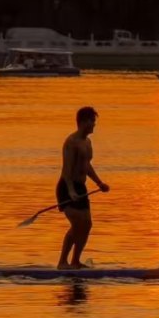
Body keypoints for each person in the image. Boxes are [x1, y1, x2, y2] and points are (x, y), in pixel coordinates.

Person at [57, 106, 110, 270]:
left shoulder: (87, 142)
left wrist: (99, 183)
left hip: (81, 187)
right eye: (92, 121)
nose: (94, 125)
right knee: (77, 224)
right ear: (82, 122)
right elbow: (67, 169)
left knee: (87, 225)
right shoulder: (71, 142)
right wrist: (71, 191)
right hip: (67, 187)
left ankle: (75, 261)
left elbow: (86, 165)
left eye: (94, 121)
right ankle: (62, 262)